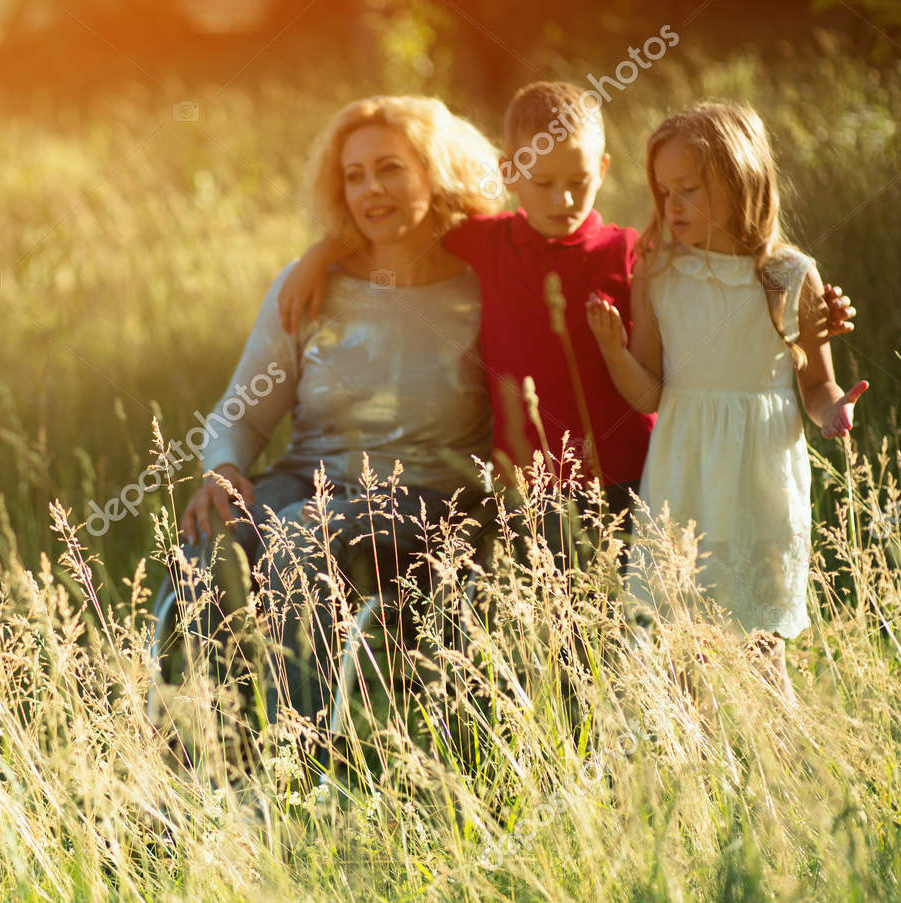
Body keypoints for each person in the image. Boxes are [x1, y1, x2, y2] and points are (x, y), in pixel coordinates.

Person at [277, 82, 854, 555]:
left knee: (637, 623)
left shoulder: (635, 254)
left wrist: (805, 315)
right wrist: (318, 256)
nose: (563, 199)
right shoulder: (489, 243)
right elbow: (403, 227)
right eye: (544, 183)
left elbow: (720, 293)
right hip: (529, 487)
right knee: (555, 636)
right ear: (511, 172)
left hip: (633, 473)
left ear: (602, 168)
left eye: (578, 181)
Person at [175, 95, 499, 722]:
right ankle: (211, 745)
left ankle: (308, 755)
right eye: (355, 175)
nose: (371, 189)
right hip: (310, 478)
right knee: (209, 539)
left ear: (436, 170)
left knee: (303, 534)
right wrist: (221, 467)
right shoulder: (309, 287)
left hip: (430, 496)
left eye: (391, 169)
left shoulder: (483, 288)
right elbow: (242, 413)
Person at [585, 102, 870, 698]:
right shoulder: (658, 273)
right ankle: (691, 775)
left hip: (762, 478)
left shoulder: (790, 275)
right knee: (678, 645)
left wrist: (832, 410)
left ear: (741, 181)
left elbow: (816, 384)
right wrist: (614, 350)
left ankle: (785, 772)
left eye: (688, 189)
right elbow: (650, 393)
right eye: (663, 192)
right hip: (683, 472)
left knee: (761, 647)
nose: (671, 207)